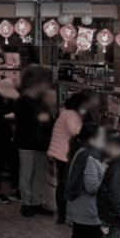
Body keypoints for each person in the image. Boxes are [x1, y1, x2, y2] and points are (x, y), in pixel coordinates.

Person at [41, 121, 106, 238]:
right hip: (89, 209)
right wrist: (108, 181)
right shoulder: (90, 156)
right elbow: (91, 185)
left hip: (81, 207)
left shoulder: (81, 152)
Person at [47, 90, 99, 225]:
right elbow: (76, 131)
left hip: (60, 153)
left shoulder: (64, 112)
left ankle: (62, 214)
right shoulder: (71, 114)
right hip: (66, 154)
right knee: (67, 184)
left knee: (62, 184)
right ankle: (67, 215)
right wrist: (91, 126)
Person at [14, 66, 55, 218]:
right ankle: (27, 203)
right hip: (27, 142)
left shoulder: (39, 101)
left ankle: (36, 202)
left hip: (40, 142)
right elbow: (27, 122)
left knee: (38, 174)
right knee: (27, 173)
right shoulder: (23, 101)